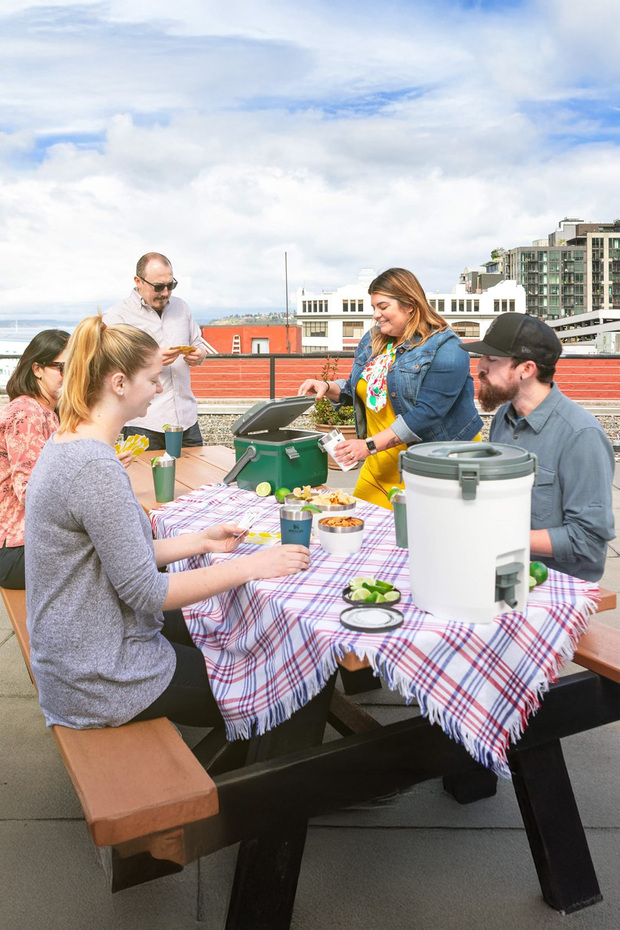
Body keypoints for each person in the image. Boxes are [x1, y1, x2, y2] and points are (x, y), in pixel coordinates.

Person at [24, 315, 310, 730]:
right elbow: (147, 591)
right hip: (99, 676)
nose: (159, 389)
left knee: (226, 627)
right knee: (275, 680)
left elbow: (124, 556)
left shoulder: (72, 443)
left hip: (80, 650)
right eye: (154, 379)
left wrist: (203, 541)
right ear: (119, 383)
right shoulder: (93, 467)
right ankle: (250, 789)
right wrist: (253, 566)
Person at [298, 267, 482, 508]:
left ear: (410, 305)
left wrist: (368, 445)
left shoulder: (447, 348)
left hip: (434, 467)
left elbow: (427, 413)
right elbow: (362, 389)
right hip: (380, 464)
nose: (376, 315)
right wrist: (327, 386)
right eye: (373, 307)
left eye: (383, 307)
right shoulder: (374, 339)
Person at [461, 312, 615, 582]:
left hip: (556, 587)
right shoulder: (503, 418)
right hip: (503, 571)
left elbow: (588, 541)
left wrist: (499, 536)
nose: (480, 367)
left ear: (526, 369)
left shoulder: (581, 434)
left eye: (492, 360)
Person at [103, 252, 207, 450]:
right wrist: (151, 358)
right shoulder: (117, 316)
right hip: (144, 423)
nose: (166, 292)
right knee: (147, 482)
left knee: (197, 480)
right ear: (138, 281)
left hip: (187, 420)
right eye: (158, 287)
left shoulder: (181, 307)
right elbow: (107, 365)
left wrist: (199, 355)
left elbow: (198, 343)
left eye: (171, 285)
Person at [0, 330, 69, 589]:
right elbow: (32, 493)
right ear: (37, 368)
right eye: (62, 367)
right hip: (17, 549)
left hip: (32, 542)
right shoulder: (26, 413)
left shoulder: (48, 411)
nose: (71, 375)